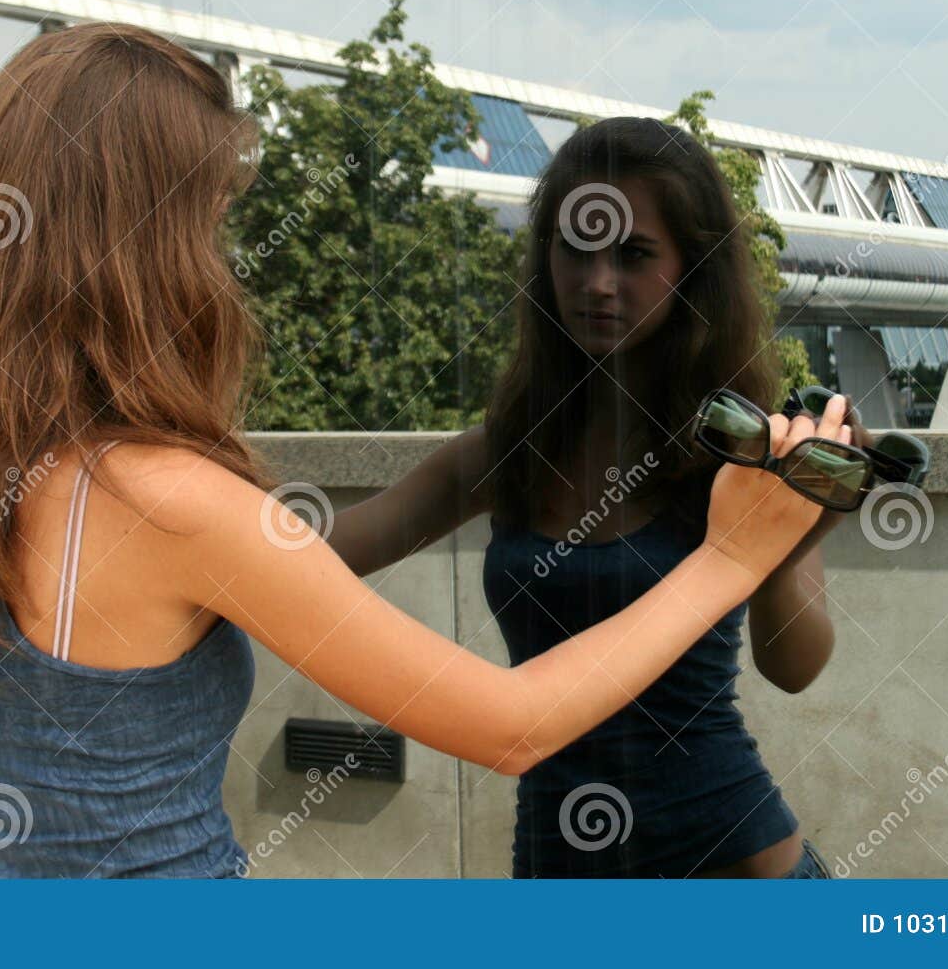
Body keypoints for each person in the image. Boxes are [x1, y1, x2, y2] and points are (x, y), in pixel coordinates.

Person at [0, 24, 838, 878]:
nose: (218, 262)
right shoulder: (172, 500)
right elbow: (510, 722)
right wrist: (733, 554)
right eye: (209, 220)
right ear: (147, 241)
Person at [326, 117, 860, 878]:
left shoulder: (740, 452)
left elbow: (795, 665)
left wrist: (792, 533)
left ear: (691, 271)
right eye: (575, 247)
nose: (597, 281)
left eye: (634, 254)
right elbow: (303, 558)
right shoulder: (508, 453)